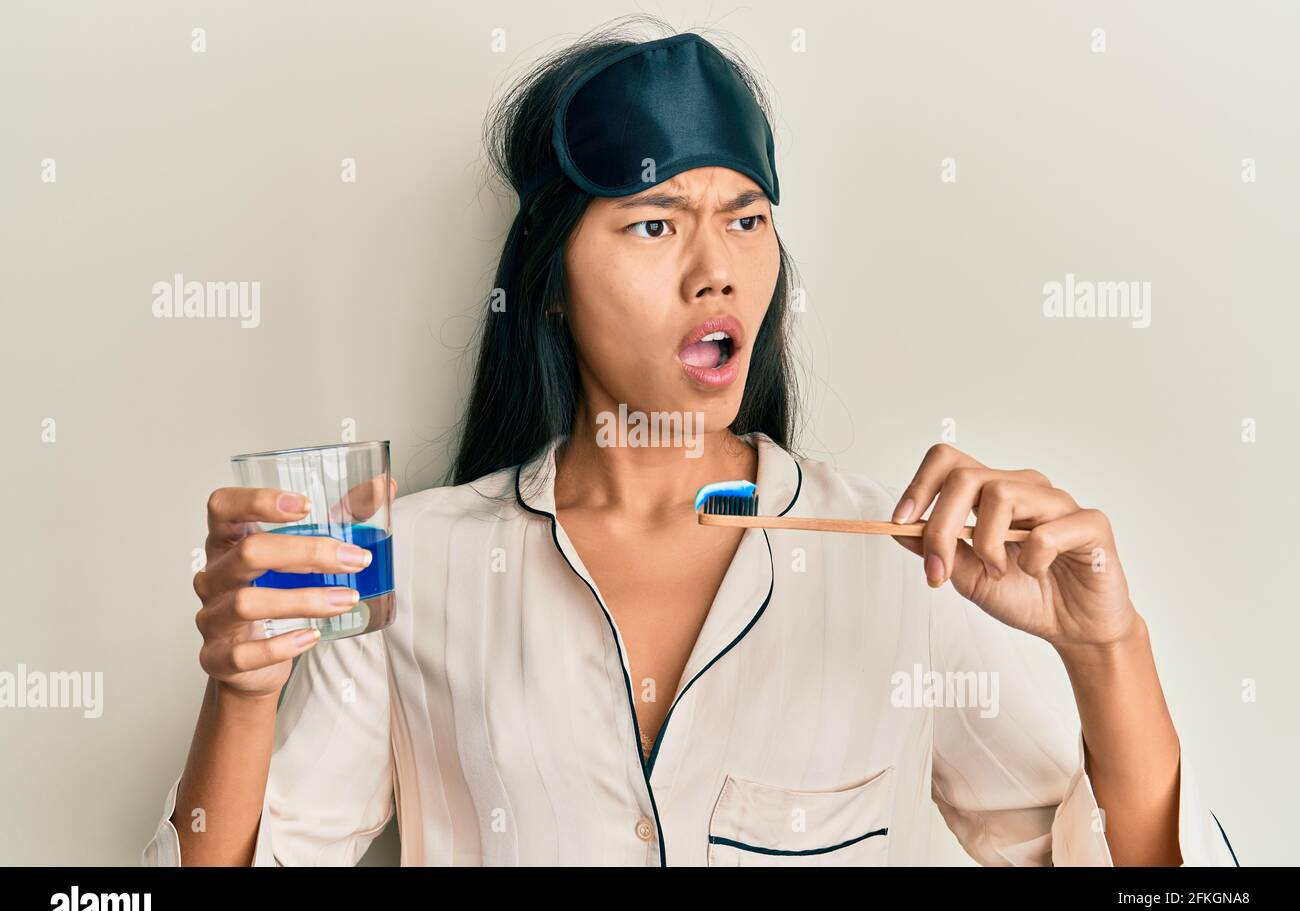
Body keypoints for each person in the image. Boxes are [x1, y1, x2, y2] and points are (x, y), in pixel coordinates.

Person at [143, 19, 1238, 867]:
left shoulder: (913, 565)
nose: (715, 266)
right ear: (551, 286)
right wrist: (239, 691)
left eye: (747, 218)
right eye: (654, 222)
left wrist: (1109, 651)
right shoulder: (407, 565)